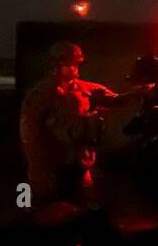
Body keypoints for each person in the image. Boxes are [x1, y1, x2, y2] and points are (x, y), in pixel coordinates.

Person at [19, 42, 126, 204]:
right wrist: (38, 172)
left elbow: (116, 99)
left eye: (77, 64)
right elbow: (29, 134)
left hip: (82, 165)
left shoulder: (84, 88)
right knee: (54, 214)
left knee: (83, 210)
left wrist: (143, 91)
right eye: (70, 64)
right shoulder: (40, 95)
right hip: (55, 167)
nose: (75, 69)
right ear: (57, 65)